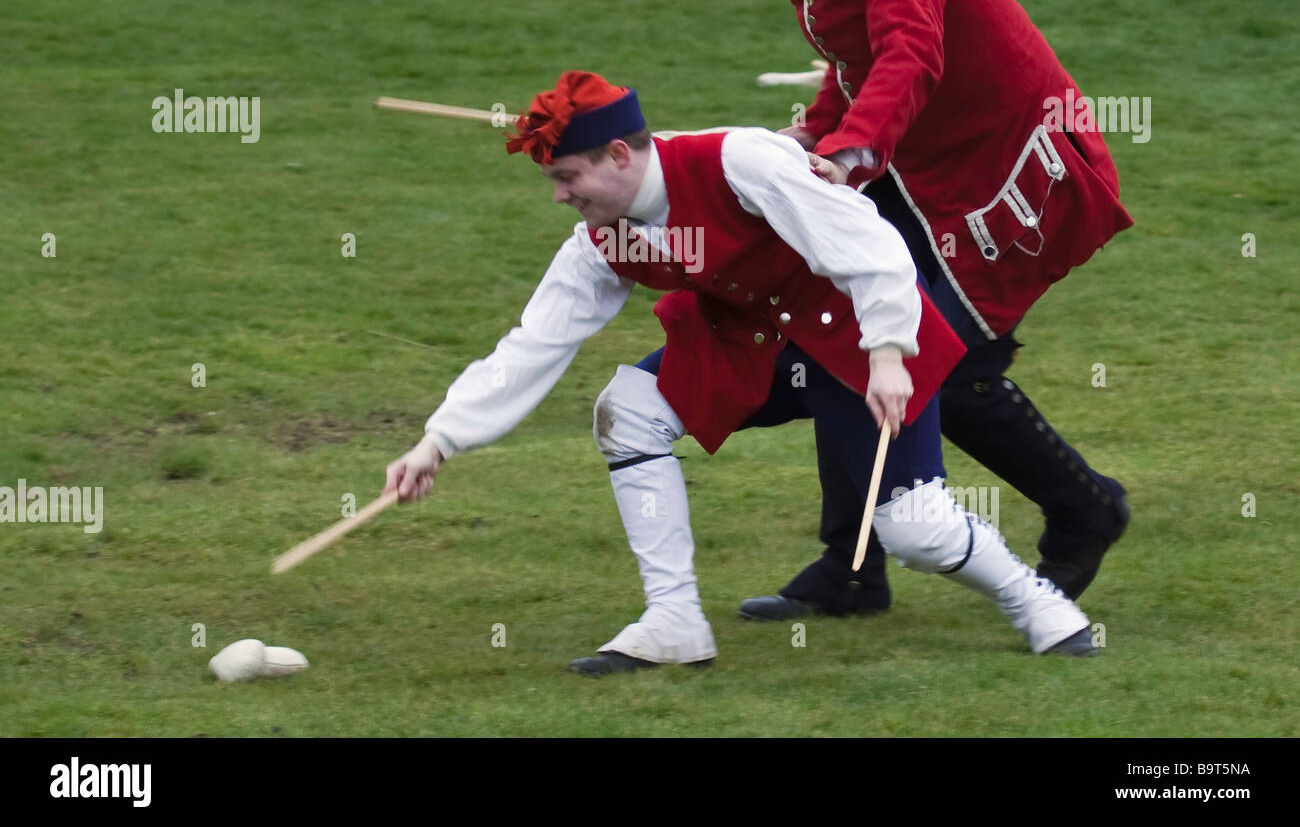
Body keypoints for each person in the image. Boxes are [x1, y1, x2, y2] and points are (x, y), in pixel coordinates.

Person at [383, 70, 1099, 674]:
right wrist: (438, 441)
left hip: (854, 339)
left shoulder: (744, 162)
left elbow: (871, 244)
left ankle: (1041, 605)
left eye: (567, 177)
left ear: (617, 156)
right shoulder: (599, 242)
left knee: (916, 531)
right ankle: (674, 622)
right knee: (627, 410)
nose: (560, 195)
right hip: (750, 348)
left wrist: (887, 355)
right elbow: (531, 345)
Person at [716, 0, 1134, 621]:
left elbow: (913, 54)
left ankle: (1086, 508)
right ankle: (853, 565)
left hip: (1014, 172)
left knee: (940, 362)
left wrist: (847, 153)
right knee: (849, 332)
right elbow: (856, 56)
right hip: (922, 172)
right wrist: (818, 128)